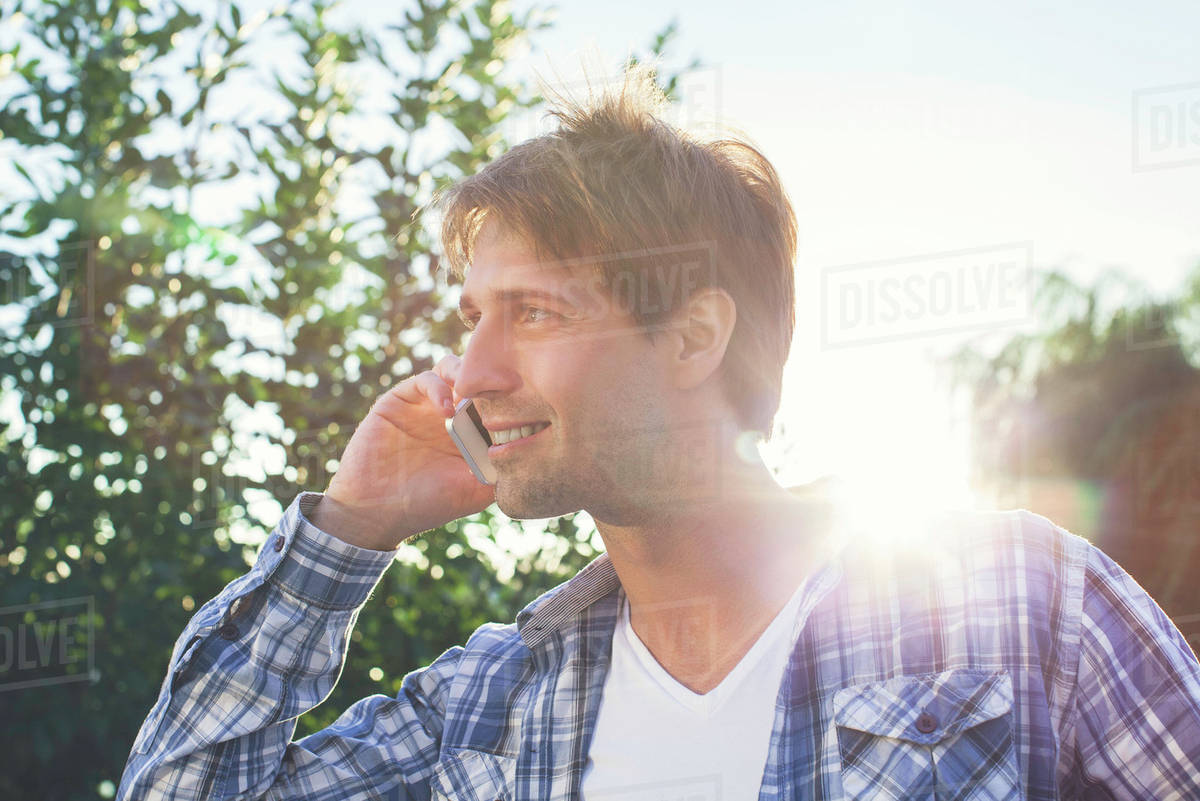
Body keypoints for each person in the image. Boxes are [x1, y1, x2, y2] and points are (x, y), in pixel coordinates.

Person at [118, 68, 1200, 800]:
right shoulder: (486, 706)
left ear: (692, 338)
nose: (471, 372)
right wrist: (346, 533)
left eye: (534, 312)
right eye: (473, 316)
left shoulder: (1022, 603)